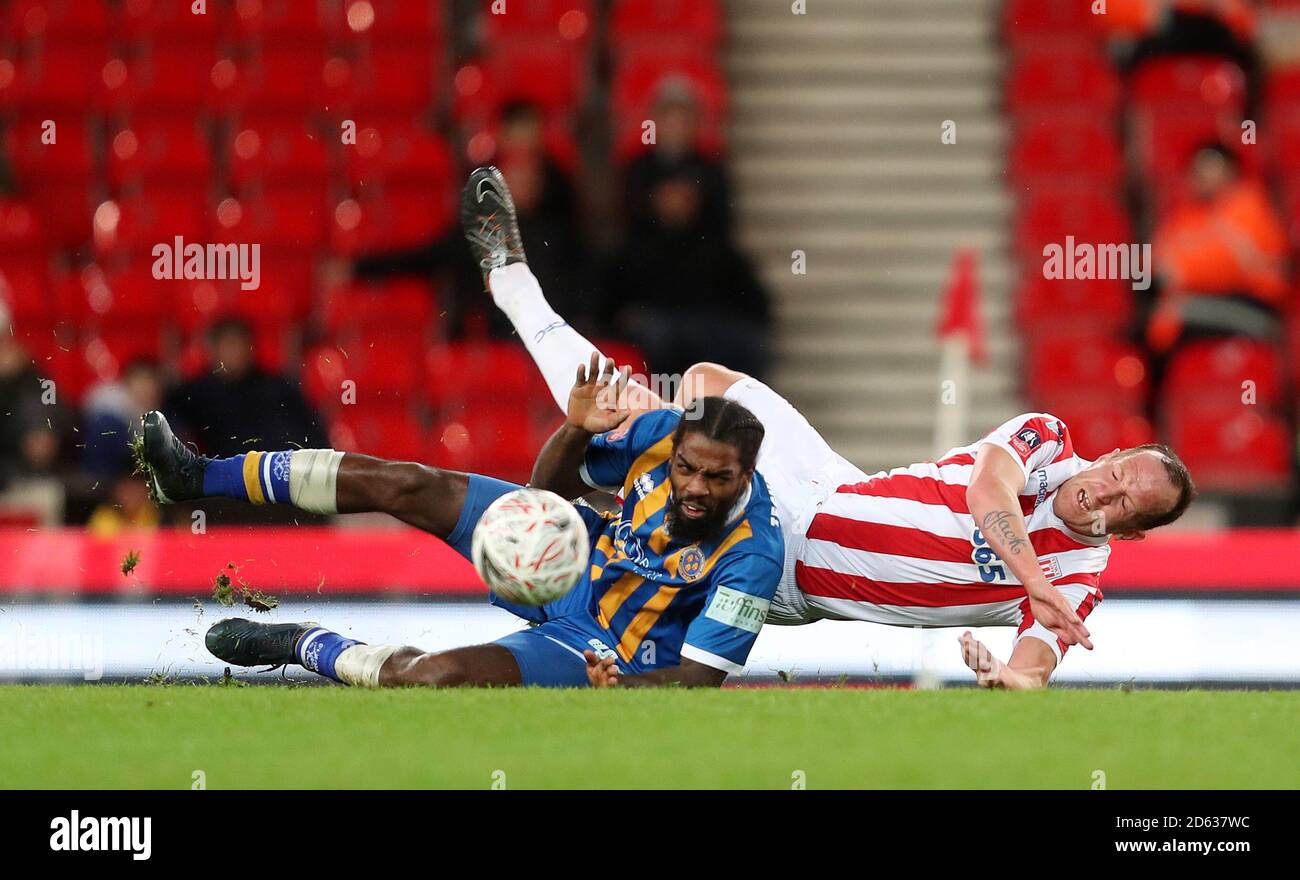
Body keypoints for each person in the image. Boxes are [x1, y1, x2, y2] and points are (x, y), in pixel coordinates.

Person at [467, 166, 1198, 690]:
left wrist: (1006, 675)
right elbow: (987, 492)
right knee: (701, 388)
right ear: (1115, 451)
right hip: (828, 484)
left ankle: (596, 473)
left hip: (792, 567)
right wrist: (1031, 581)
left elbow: (1036, 668)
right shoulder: (1047, 440)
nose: (1106, 492)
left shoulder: (1079, 577)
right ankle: (519, 293)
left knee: (675, 447)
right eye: (1119, 472)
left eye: (1127, 506)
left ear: (1130, 534)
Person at [163, 316, 328, 458]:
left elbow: (309, 433)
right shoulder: (192, 395)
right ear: (212, 349)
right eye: (228, 344)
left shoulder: (277, 389)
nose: (234, 352)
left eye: (238, 344)